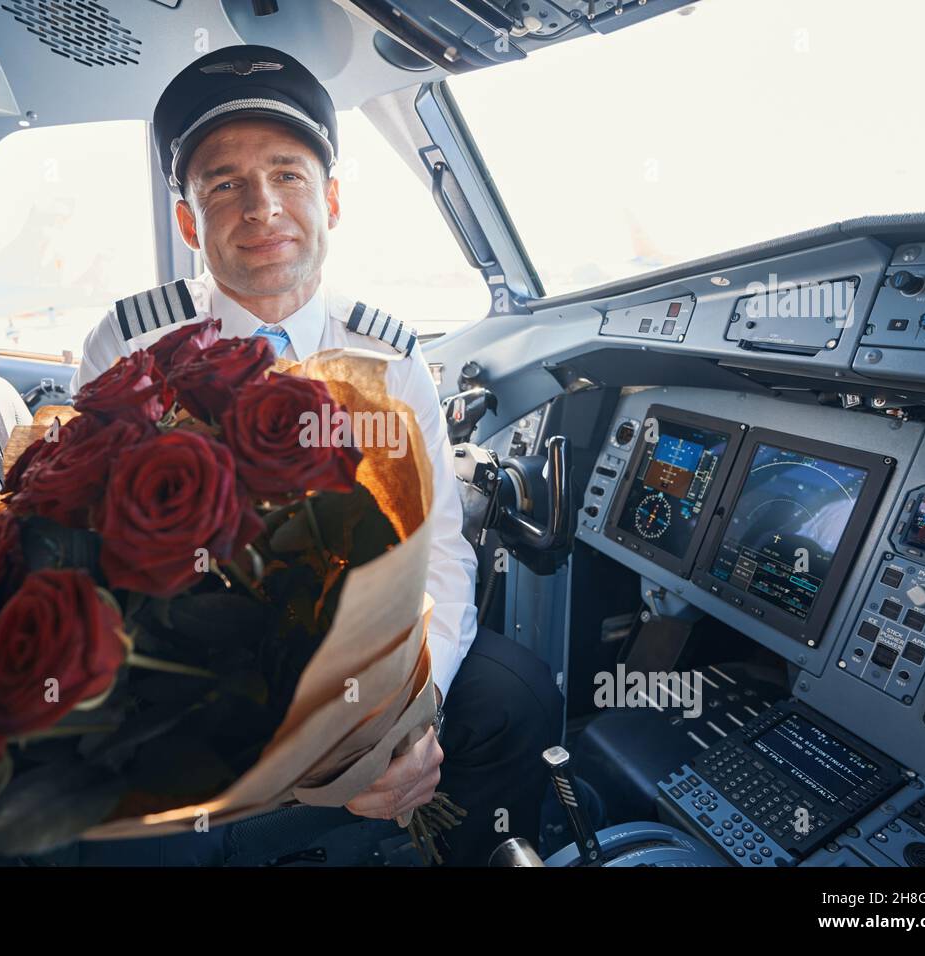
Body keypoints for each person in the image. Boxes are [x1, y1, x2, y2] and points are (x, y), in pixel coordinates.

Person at [72, 44, 562, 865]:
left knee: (516, 695)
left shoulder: (391, 357)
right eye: (223, 183)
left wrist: (411, 714)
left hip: (359, 645)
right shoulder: (130, 346)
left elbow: (437, 554)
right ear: (191, 221)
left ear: (330, 200)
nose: (261, 207)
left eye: (288, 175)